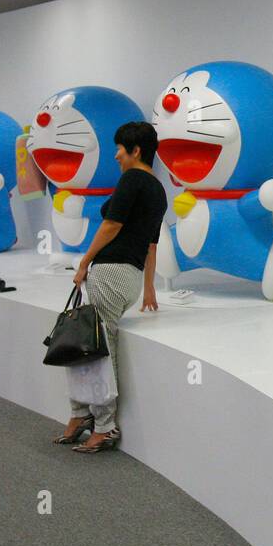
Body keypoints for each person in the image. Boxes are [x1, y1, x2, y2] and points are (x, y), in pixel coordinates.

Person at [55, 122, 168, 453]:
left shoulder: (133, 179)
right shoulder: (158, 189)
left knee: (96, 349)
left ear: (135, 150)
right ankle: (80, 415)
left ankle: (103, 425)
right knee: (86, 343)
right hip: (128, 278)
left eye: (120, 148)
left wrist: (83, 261)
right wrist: (148, 289)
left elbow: (111, 224)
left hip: (110, 273)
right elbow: (151, 244)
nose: (116, 154)